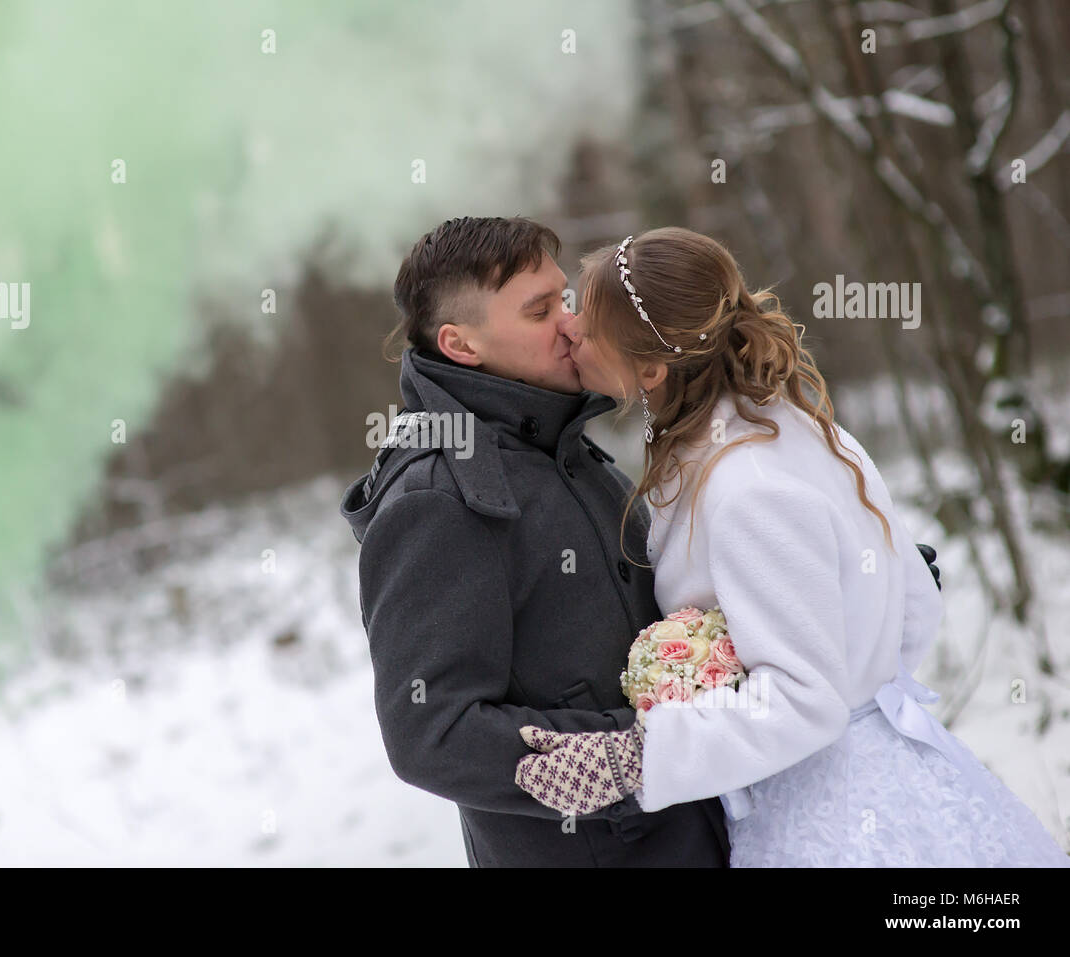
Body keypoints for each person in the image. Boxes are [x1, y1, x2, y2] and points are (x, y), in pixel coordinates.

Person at [340, 216, 942, 866]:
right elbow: (432, 730)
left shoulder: (563, 445)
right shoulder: (438, 496)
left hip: (699, 829)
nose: (570, 322)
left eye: (564, 297)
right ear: (461, 344)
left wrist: (846, 584)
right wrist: (619, 756)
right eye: (541, 310)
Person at [514, 227, 1068, 867]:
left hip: (833, 815)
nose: (570, 329)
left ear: (650, 368)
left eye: (587, 318)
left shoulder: (745, 485)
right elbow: (914, 606)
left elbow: (806, 701)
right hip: (896, 769)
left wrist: (638, 759)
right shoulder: (789, 424)